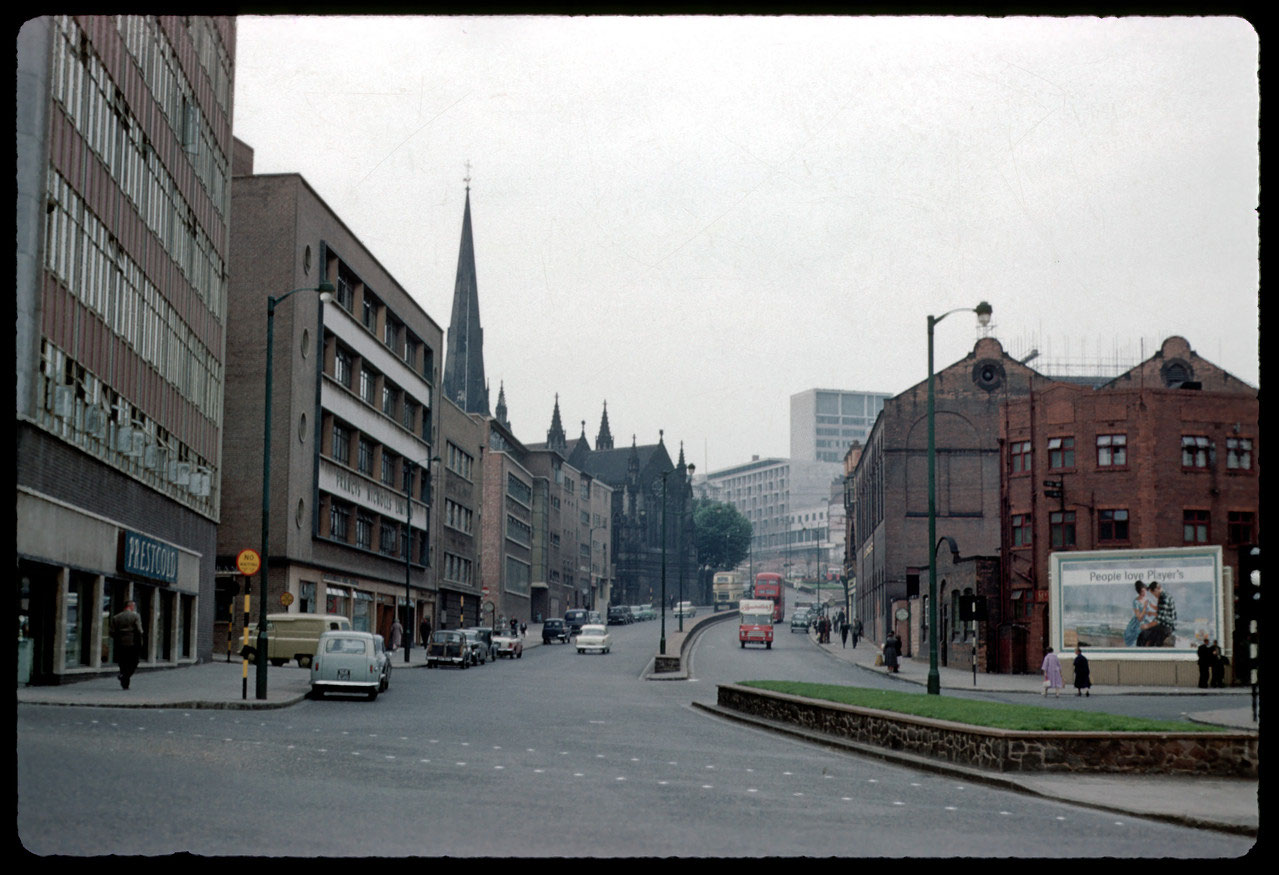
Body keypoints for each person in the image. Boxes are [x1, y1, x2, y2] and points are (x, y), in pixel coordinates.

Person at [110, 600, 144, 690]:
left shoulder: (116, 617)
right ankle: (125, 676)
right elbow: (139, 630)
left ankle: (125, 683)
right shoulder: (135, 616)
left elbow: (112, 632)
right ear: (131, 606)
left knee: (123, 663)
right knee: (133, 662)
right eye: (134, 606)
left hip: (120, 644)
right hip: (132, 643)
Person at [1123, 580, 1148, 647]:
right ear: (1139, 592)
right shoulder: (1136, 602)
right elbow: (1139, 617)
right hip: (1138, 622)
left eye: (1144, 590)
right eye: (1142, 591)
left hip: (1147, 621)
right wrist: (1145, 608)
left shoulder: (1147, 600)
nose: (1144, 593)